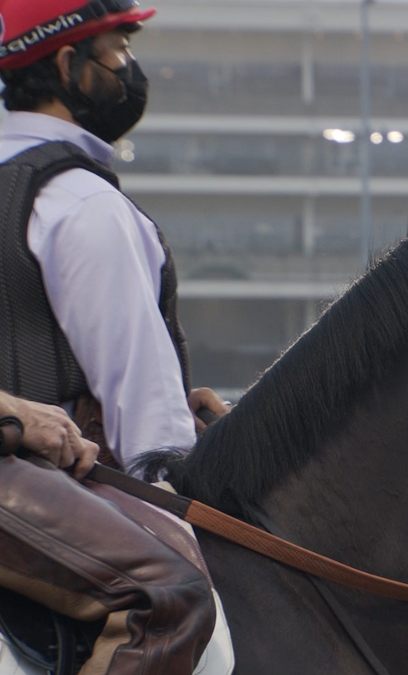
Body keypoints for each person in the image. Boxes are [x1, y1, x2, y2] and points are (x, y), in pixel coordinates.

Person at [0, 1, 225, 672]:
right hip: (34, 475)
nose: (130, 69)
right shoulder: (85, 205)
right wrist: (184, 475)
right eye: (118, 51)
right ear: (67, 64)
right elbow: (150, 437)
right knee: (173, 596)